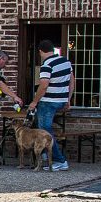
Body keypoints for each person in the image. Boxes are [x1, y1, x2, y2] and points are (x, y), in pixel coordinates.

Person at [30, 37, 73, 172]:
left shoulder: (47, 65)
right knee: (42, 128)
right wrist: (68, 98)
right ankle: (44, 155)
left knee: (45, 133)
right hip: (61, 99)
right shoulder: (65, 61)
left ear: (40, 51)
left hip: (48, 101)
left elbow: (43, 86)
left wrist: (34, 102)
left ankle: (59, 160)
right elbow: (72, 81)